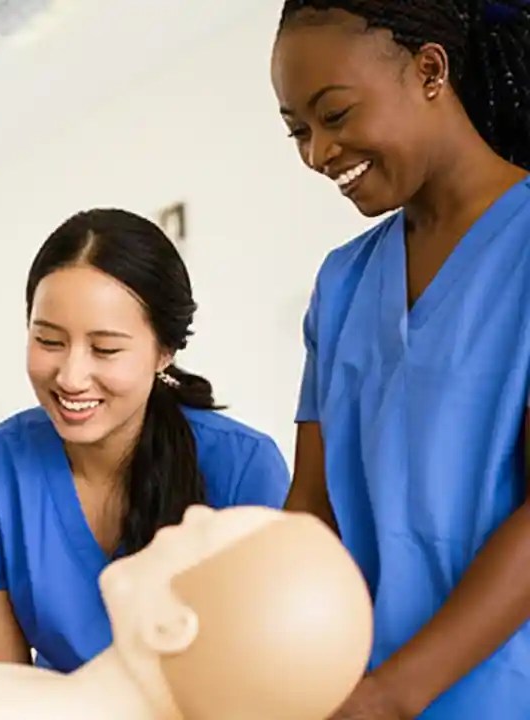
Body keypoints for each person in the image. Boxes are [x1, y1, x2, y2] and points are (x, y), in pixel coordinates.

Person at [271, 2, 530, 718]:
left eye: (335, 114)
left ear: (430, 70)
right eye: (298, 131)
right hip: (348, 689)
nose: (318, 153)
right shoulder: (343, 284)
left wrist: (395, 693)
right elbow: (313, 506)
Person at [0, 208, 290, 674]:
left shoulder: (244, 468)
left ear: (164, 351)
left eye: (106, 349)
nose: (71, 377)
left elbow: (269, 678)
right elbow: (6, 693)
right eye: (49, 341)